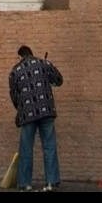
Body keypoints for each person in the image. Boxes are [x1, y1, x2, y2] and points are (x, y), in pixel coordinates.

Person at [9, 45, 63, 191]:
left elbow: (14, 96)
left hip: (28, 114)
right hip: (46, 112)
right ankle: (52, 182)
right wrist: (49, 74)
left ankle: (25, 184)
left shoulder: (15, 71)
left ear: (20, 57)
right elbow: (58, 80)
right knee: (49, 146)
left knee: (26, 149)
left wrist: (20, 110)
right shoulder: (44, 64)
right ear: (32, 54)